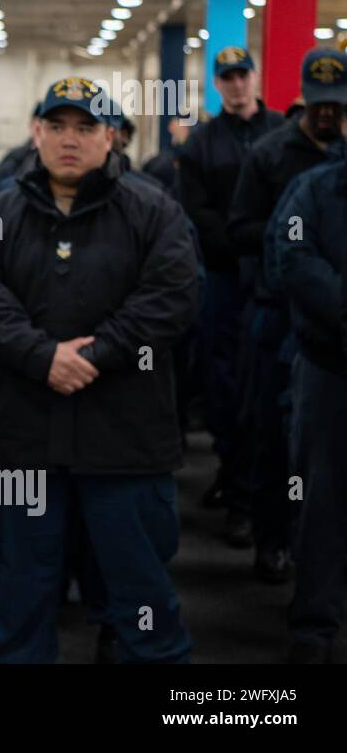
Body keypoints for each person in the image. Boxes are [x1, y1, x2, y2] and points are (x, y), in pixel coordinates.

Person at [0, 77, 199, 663]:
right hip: (24, 438)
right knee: (22, 590)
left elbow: (172, 298)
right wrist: (43, 357)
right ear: (36, 132)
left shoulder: (153, 212)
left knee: (139, 590)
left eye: (86, 128)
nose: (71, 140)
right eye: (57, 126)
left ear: (110, 137)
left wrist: (92, 356)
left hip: (125, 441)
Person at [236, 49, 347, 592]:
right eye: (321, 104)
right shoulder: (270, 154)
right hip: (280, 317)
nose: (328, 115)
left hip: (327, 329)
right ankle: (272, 535)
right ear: (304, 98)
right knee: (276, 438)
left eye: (338, 106)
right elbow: (244, 228)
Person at [177, 47, 282, 543]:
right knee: (224, 382)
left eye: (244, 75)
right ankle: (236, 480)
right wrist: (241, 247)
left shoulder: (282, 134)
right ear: (217, 85)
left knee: (270, 387)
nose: (237, 85)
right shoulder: (200, 145)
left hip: (276, 282)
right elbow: (198, 212)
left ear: (255, 78)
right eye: (228, 78)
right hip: (223, 279)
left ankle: (263, 495)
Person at [271, 51, 347, 663]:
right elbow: (293, 261)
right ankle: (315, 626)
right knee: (322, 501)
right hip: (331, 370)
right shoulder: (313, 190)